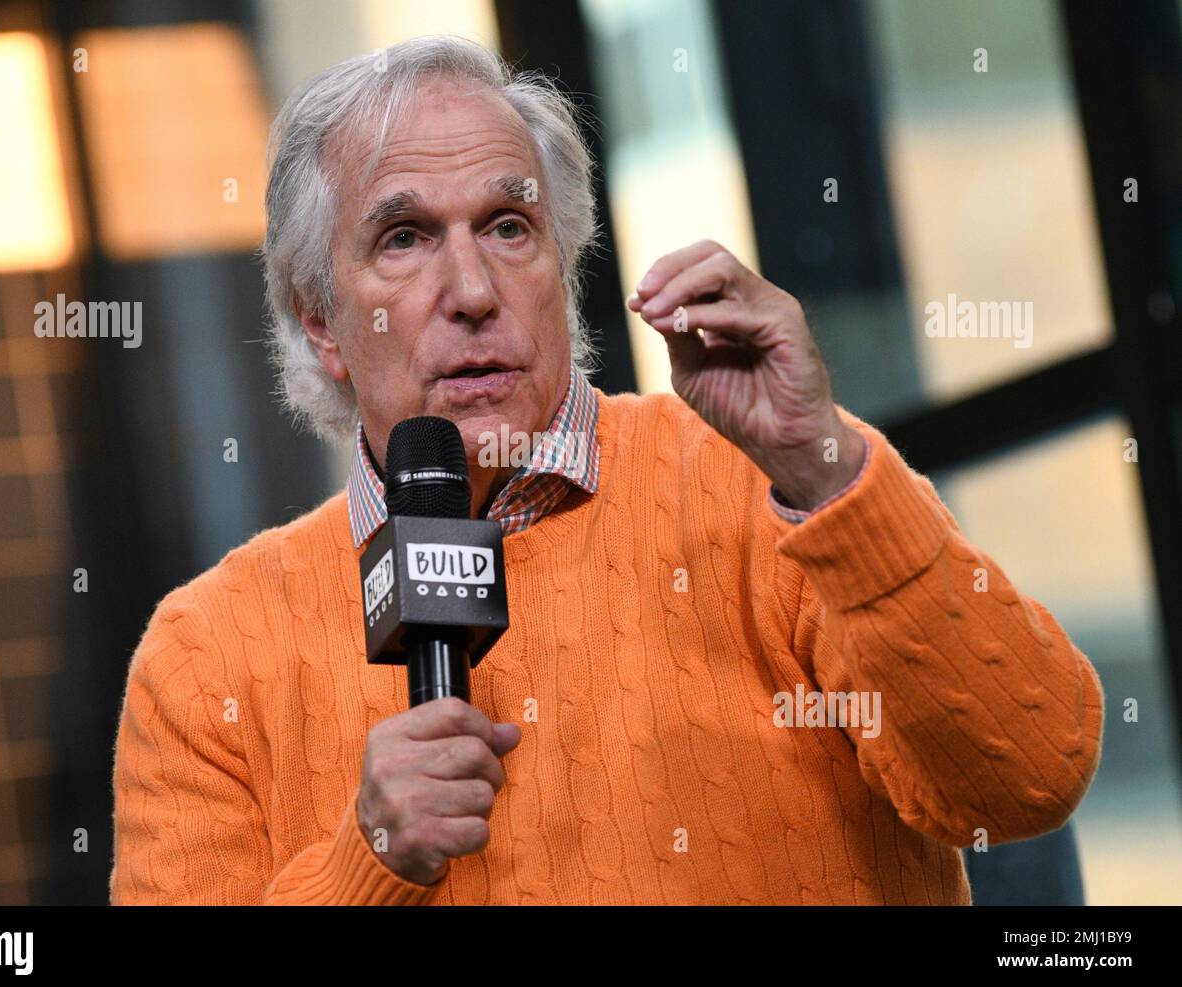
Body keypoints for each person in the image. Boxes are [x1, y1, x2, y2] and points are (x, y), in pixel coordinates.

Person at [109, 35, 1103, 905]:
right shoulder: (207, 657)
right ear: (322, 319)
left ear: (561, 261)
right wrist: (361, 863)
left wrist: (821, 463)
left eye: (508, 226)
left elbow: (1025, 775)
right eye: (405, 238)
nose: (471, 290)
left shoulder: (771, 487)